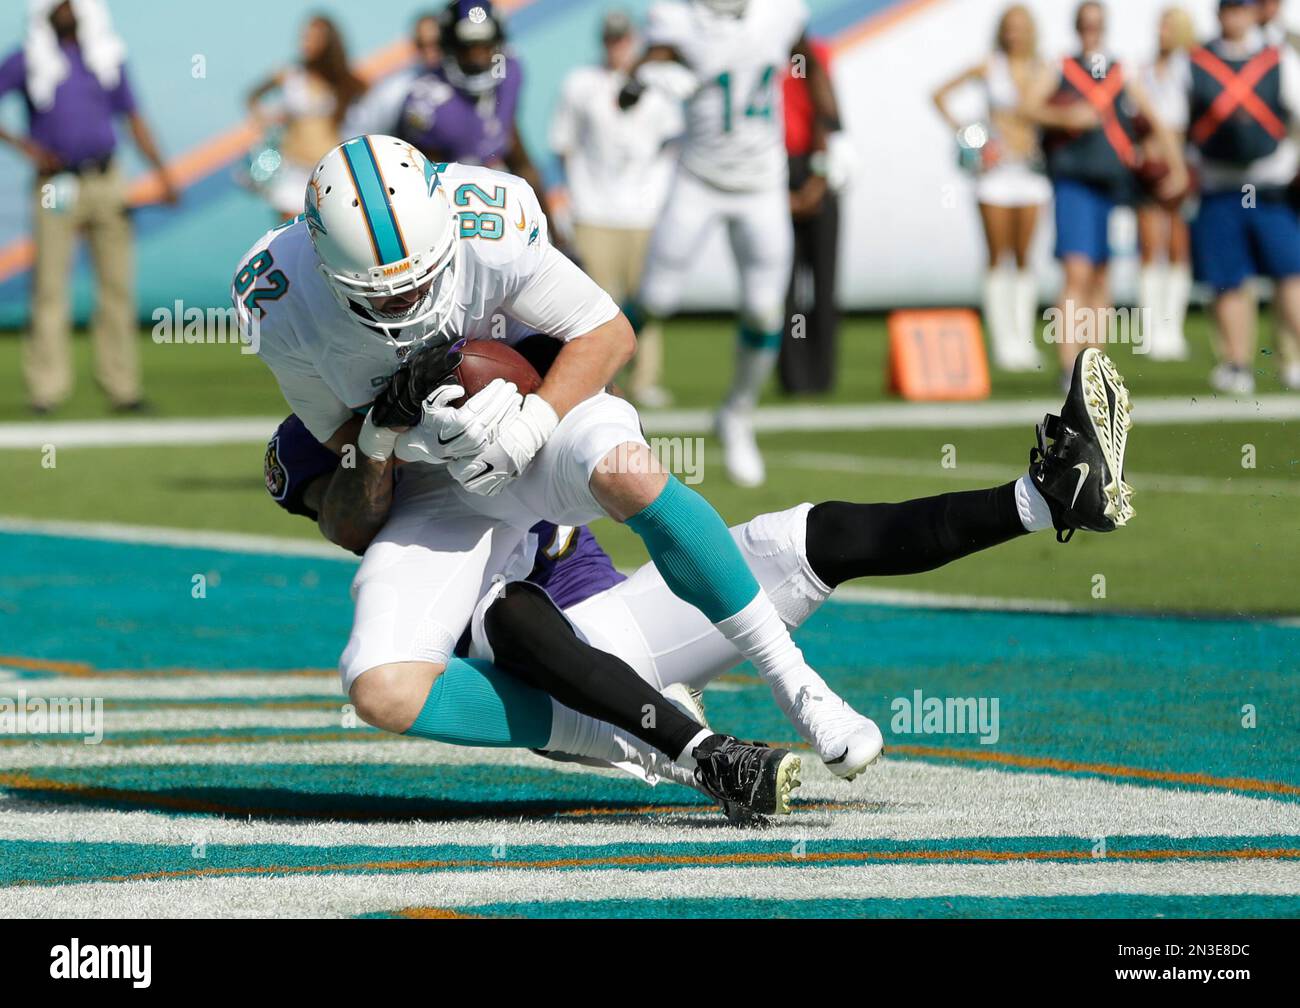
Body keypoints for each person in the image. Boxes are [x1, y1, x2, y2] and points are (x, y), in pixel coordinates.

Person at [235, 137, 894, 821]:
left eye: (423, 279)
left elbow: (606, 333)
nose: (409, 301)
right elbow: (349, 498)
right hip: (431, 484)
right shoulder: (278, 301)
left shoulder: (490, 220)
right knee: (381, 689)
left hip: (532, 421)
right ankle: (642, 743)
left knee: (627, 470)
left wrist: (530, 424)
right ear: (323, 263)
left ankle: (795, 681)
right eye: (384, 292)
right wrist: (379, 437)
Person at [263, 344, 1135, 822]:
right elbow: (347, 512)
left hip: (624, 611)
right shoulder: (342, 456)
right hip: (559, 683)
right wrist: (379, 437)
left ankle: (1044, 496)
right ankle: (704, 756)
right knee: (511, 616)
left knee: (809, 536)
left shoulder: (449, 347)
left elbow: (577, 347)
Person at [620, 0, 855, 487]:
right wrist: (647, 79)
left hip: (761, 183)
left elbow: (807, 63)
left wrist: (833, 132)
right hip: (698, 180)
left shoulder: (778, 14)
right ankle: (593, 381)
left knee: (764, 311)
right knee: (657, 297)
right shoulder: (677, 20)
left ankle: (737, 413)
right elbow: (637, 78)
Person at [0, 0, 176, 415]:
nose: (63, 8)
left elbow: (133, 118)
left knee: (116, 287)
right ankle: (46, 390)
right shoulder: (29, 59)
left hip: (107, 178)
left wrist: (164, 175)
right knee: (49, 287)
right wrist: (26, 147)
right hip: (55, 184)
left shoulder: (104, 56)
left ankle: (122, 388)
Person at [1022, 1, 1188, 389]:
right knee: (1076, 270)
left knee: (1102, 275)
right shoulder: (1061, 67)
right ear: (1077, 28)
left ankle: (1092, 364)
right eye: (1085, 26)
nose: (1090, 33)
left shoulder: (1120, 71)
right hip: (1074, 181)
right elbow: (1028, 106)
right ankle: (1068, 363)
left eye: (1097, 26)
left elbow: (1157, 120)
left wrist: (1177, 169)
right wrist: (1066, 117)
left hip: (1112, 186)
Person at [549, 10, 682, 408]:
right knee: (597, 304)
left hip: (645, 210)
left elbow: (672, 144)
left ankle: (646, 379)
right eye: (611, 39)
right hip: (595, 210)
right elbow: (563, 143)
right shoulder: (581, 83)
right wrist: (571, 196)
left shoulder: (660, 88)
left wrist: (661, 196)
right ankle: (602, 377)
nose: (618, 47)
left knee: (649, 299)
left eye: (624, 39)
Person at [1184, 0, 1300, 396]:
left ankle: (1295, 361)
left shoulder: (1278, 57)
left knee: (1290, 272)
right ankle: (1237, 363)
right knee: (1228, 279)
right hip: (1220, 184)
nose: (1235, 17)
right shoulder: (1197, 61)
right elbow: (1178, 117)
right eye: (1229, 9)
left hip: (1270, 184)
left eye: (1242, 9)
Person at [933, 4, 1050, 373]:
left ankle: (1023, 341)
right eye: (1009, 28)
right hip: (996, 175)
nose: (1015, 34)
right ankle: (1003, 342)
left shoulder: (1043, 67)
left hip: (1031, 171)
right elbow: (939, 94)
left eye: (1021, 28)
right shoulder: (989, 65)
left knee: (1025, 256)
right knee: (997, 255)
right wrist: (970, 136)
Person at [397, 0, 553, 226]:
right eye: (467, 47)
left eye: (485, 45)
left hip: (491, 206)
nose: (478, 57)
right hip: (448, 217)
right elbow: (424, 192)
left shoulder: (510, 72)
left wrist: (555, 235)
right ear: (449, 48)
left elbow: (517, 155)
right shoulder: (427, 104)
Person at [779, 35, 849, 394]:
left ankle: (822, 378)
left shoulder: (815, 54)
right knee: (783, 286)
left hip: (816, 166)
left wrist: (818, 181)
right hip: (774, 169)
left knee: (824, 280)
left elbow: (829, 117)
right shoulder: (757, 54)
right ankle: (794, 378)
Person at [246, 15, 365, 221]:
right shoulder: (289, 73)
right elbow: (252, 96)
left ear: (328, 43)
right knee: (291, 235)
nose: (306, 42)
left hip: (330, 170)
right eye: (305, 37)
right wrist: (267, 122)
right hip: (292, 169)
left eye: (314, 38)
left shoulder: (342, 81)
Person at [1137, 7, 1196, 362]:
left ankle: (1172, 330)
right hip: (1151, 167)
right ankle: (1151, 331)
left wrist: (1180, 167)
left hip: (1183, 162)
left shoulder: (1191, 67)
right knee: (1149, 245)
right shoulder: (1145, 70)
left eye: (1169, 25)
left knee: (1177, 244)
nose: (1162, 31)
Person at [1258, 0, 1300, 390]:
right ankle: (1290, 356)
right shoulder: (1233, 48)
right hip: (1274, 174)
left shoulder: (1294, 43)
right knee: (1286, 269)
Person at [341, 11, 442, 139]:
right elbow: (357, 129)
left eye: (435, 43)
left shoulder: (465, 84)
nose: (430, 52)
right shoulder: (396, 89)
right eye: (422, 45)